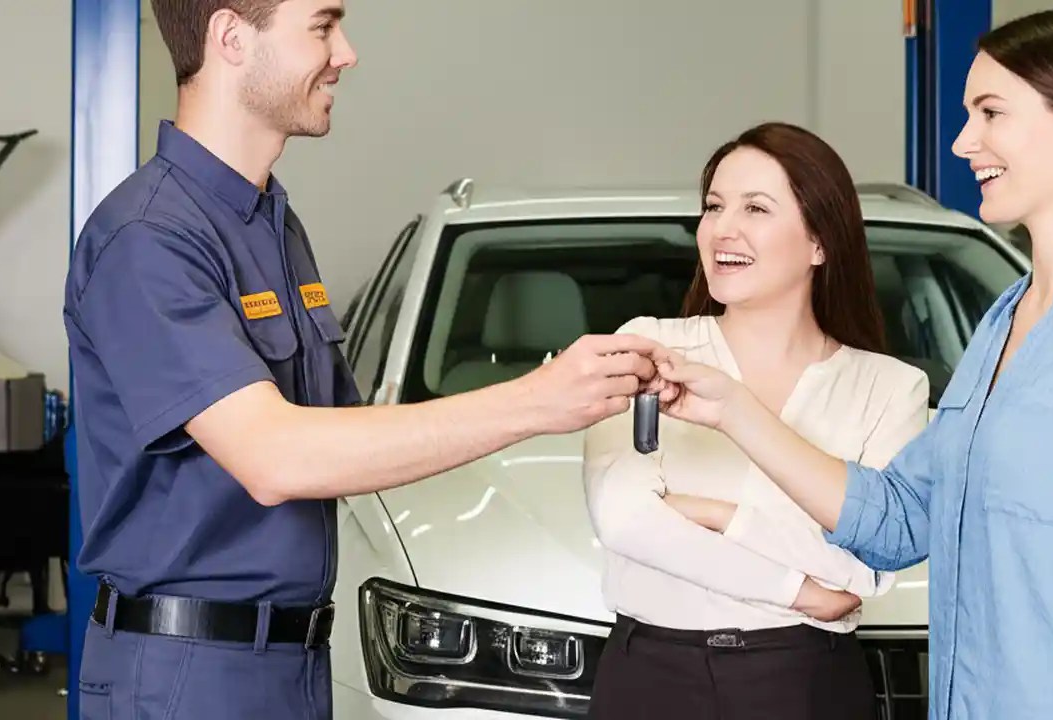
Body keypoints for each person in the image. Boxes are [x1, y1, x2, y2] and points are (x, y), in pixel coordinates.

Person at [62, 1, 664, 718]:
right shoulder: (149, 239)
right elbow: (275, 457)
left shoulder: (271, 226)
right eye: (322, 26)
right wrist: (537, 399)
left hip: (289, 664)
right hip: (188, 675)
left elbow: (350, 443)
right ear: (231, 37)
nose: (345, 52)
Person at [647, 8, 1053, 719]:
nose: (962, 141)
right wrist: (733, 408)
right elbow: (901, 518)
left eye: (991, 113)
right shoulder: (1005, 319)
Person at [583, 122, 930, 719]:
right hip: (652, 680)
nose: (723, 228)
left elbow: (866, 570)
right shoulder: (648, 347)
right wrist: (799, 590)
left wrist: (717, 515)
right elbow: (625, 519)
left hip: (808, 684)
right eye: (714, 206)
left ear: (820, 242)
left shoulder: (891, 387)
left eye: (756, 208)